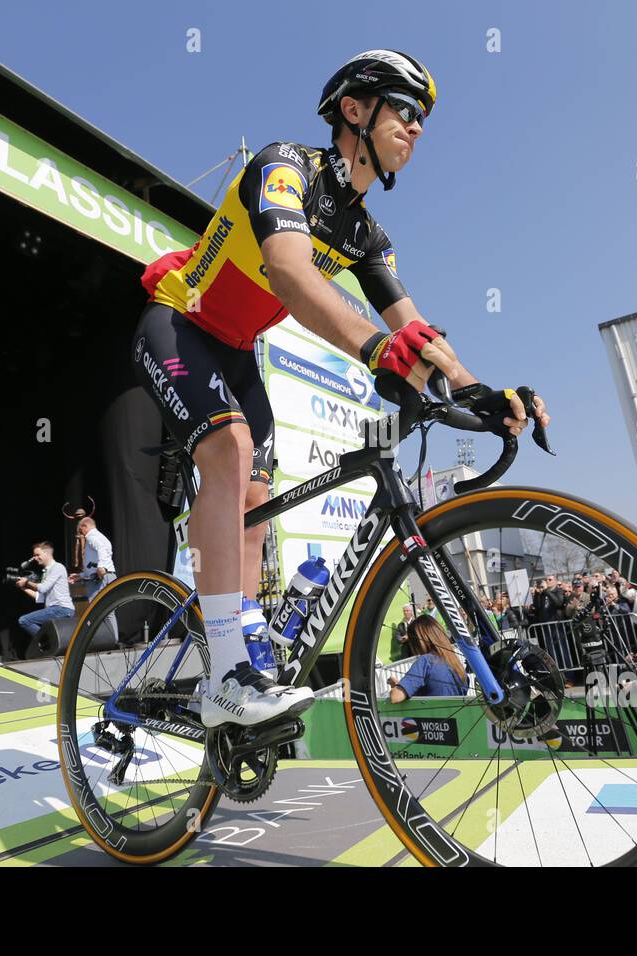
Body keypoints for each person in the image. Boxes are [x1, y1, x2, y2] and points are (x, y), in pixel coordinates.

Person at [131, 50, 549, 728]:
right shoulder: (284, 166)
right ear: (355, 110)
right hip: (180, 326)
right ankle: (226, 676)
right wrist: (379, 352)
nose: (416, 129)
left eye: (423, 121)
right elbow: (291, 273)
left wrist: (481, 392)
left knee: (257, 502)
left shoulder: (365, 231)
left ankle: (240, 658)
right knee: (231, 452)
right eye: (405, 111)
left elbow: (414, 327)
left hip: (237, 354)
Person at [386, 614, 468, 701]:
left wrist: (395, 687)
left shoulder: (426, 661)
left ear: (418, 642)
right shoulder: (456, 663)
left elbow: (396, 697)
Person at [15, 541, 75, 651]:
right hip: (57, 609)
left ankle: (48, 642)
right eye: (34, 555)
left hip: (61, 609)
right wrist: (23, 587)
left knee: (24, 620)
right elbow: (40, 597)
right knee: (25, 621)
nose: (35, 558)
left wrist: (27, 582)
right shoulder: (46, 571)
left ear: (47, 553)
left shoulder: (57, 567)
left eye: (37, 555)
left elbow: (42, 588)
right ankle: (49, 641)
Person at [70, 516, 118, 641]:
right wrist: (80, 576)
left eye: (81, 531)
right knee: (108, 612)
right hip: (108, 575)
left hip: (99, 579)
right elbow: (94, 562)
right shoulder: (101, 537)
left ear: (85, 526)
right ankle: (114, 640)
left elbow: (101, 550)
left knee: (97, 611)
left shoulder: (91, 537)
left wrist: (101, 566)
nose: (81, 535)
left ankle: (101, 640)